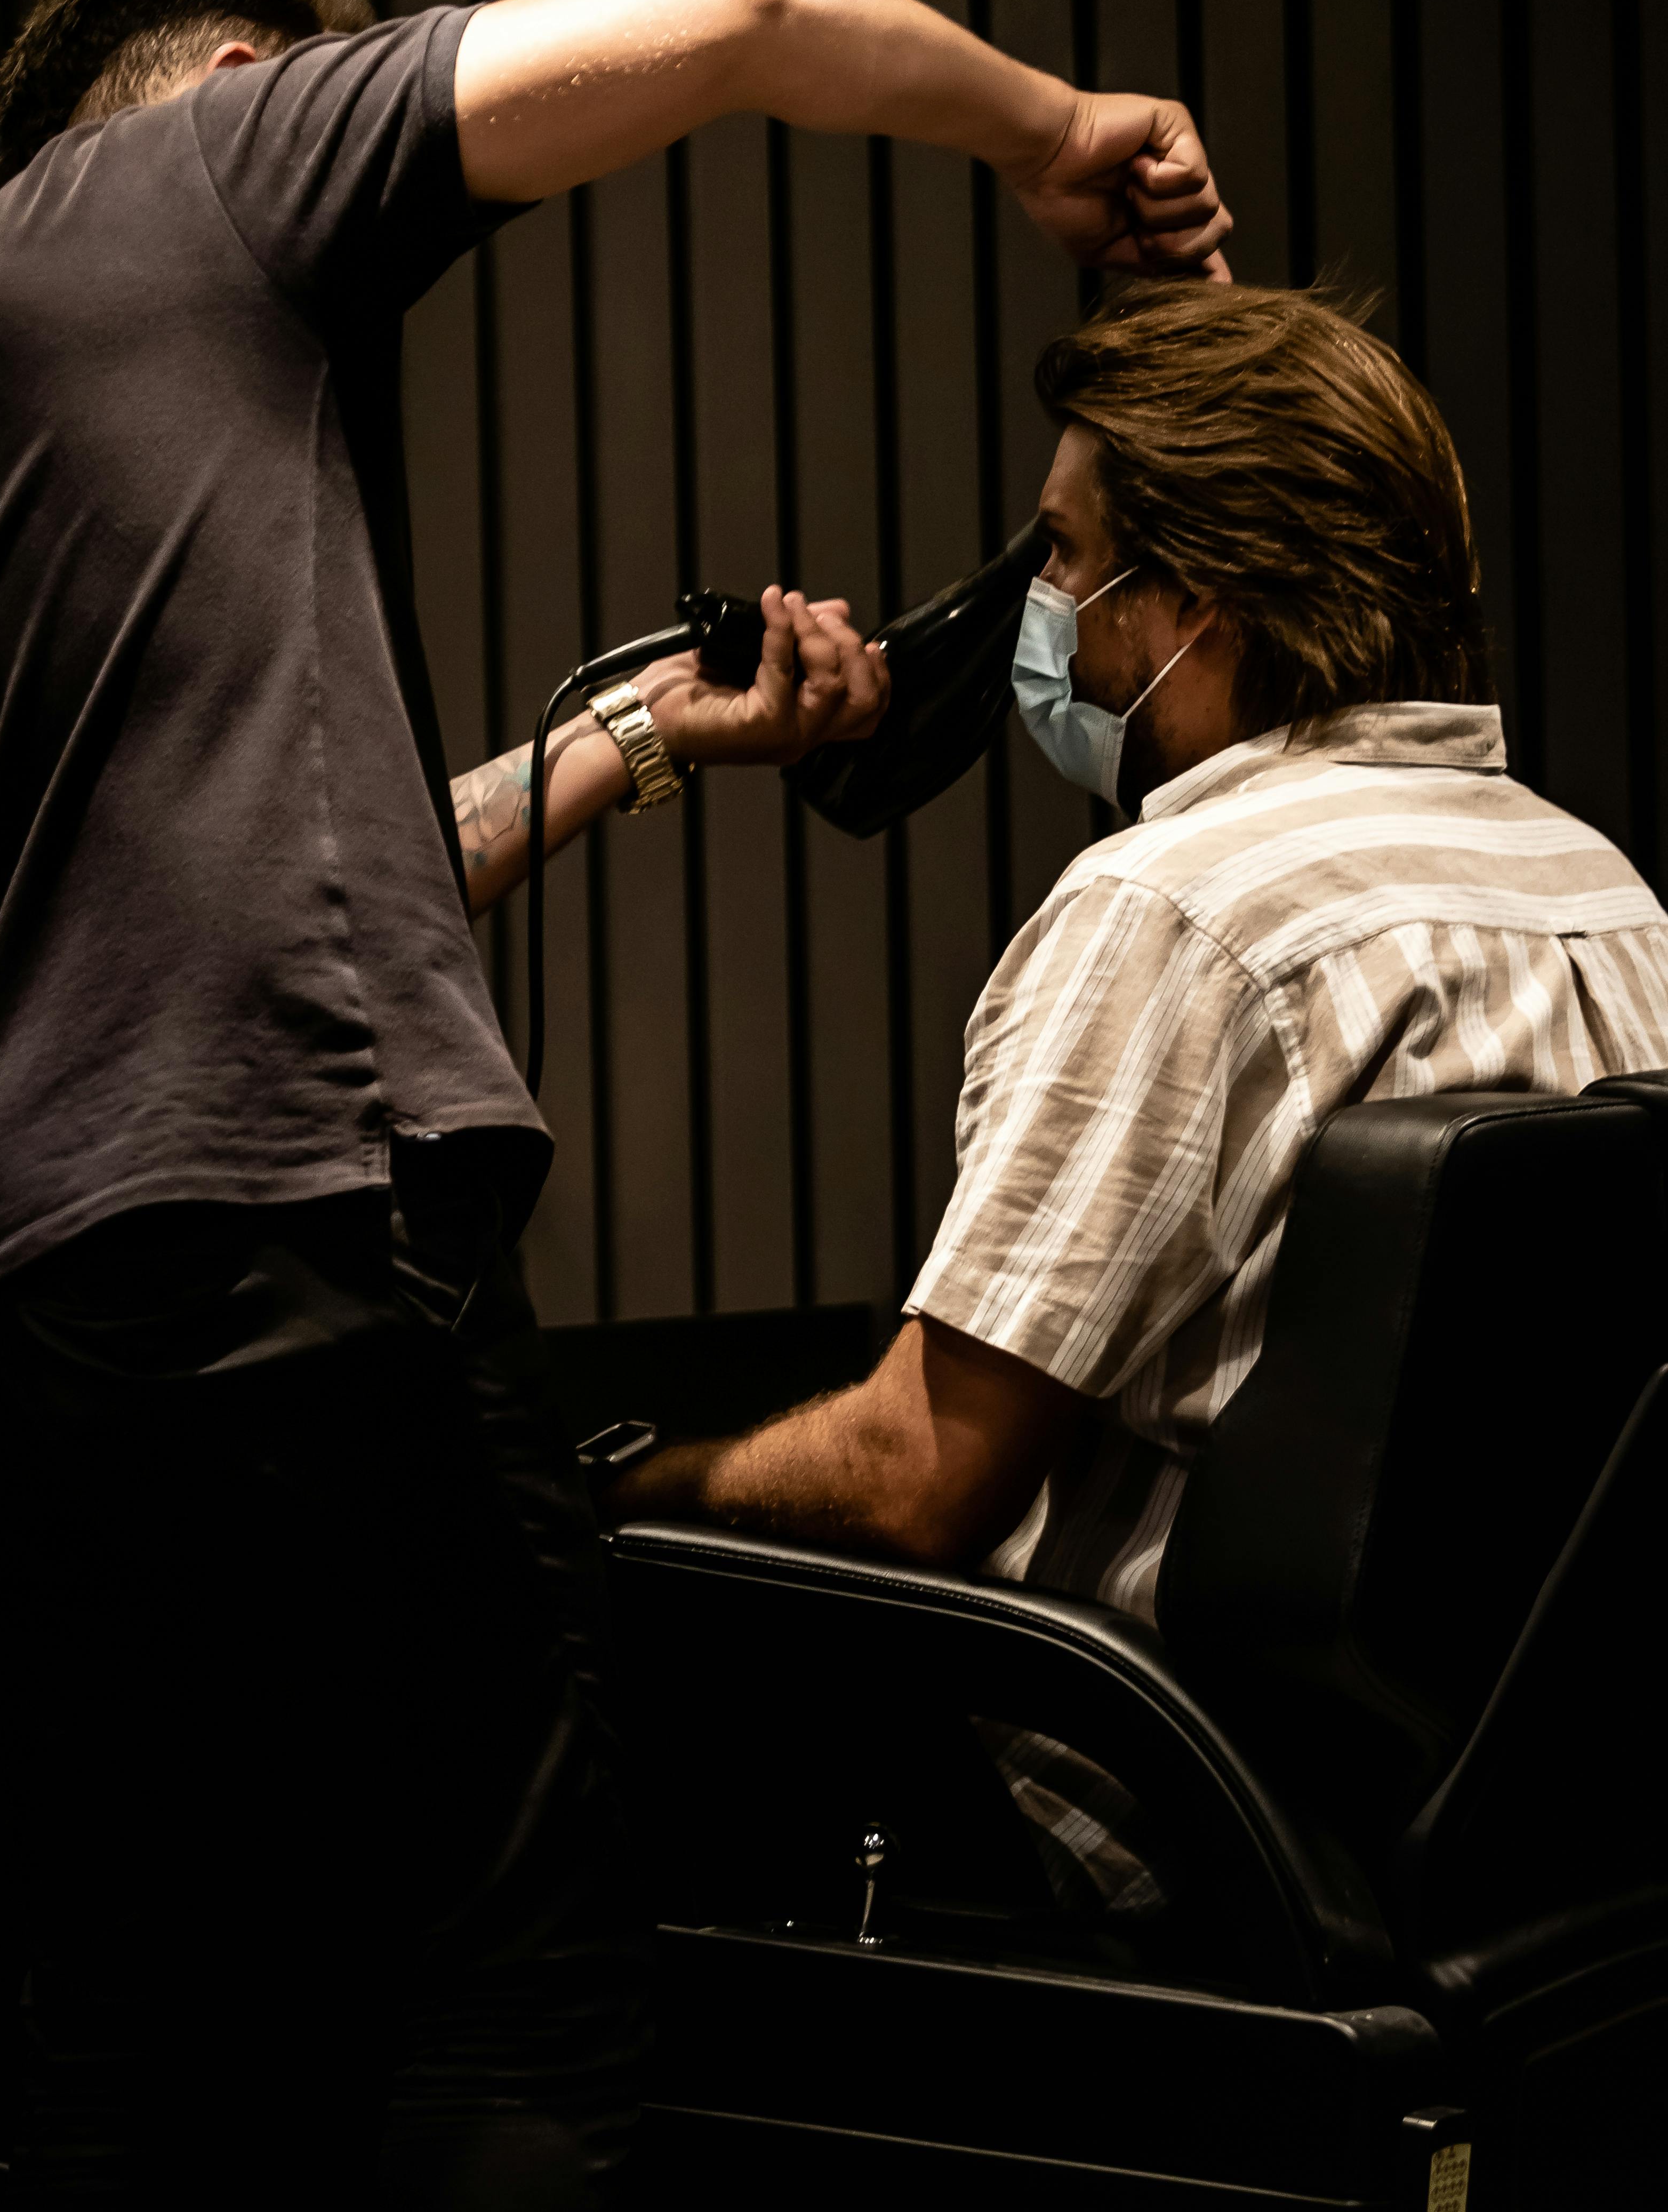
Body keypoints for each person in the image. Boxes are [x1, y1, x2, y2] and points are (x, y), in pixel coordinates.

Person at [0, 0, 1231, 2203]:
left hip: (4, 1343)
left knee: (160, 2016)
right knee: (510, 2002)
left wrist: (651, 741)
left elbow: (265, 871)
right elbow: (759, 20)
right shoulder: (210, 167)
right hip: (287, 1257)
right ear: (259, 81)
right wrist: (1052, 131)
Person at [610, 281, 1668, 1903]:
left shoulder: (1178, 912)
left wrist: (627, 1487)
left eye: (1058, 554)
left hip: (1139, 1825)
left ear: (1202, 594)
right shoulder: (1603, 889)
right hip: (1513, 1829)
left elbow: (912, 1486)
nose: (1041, 606)